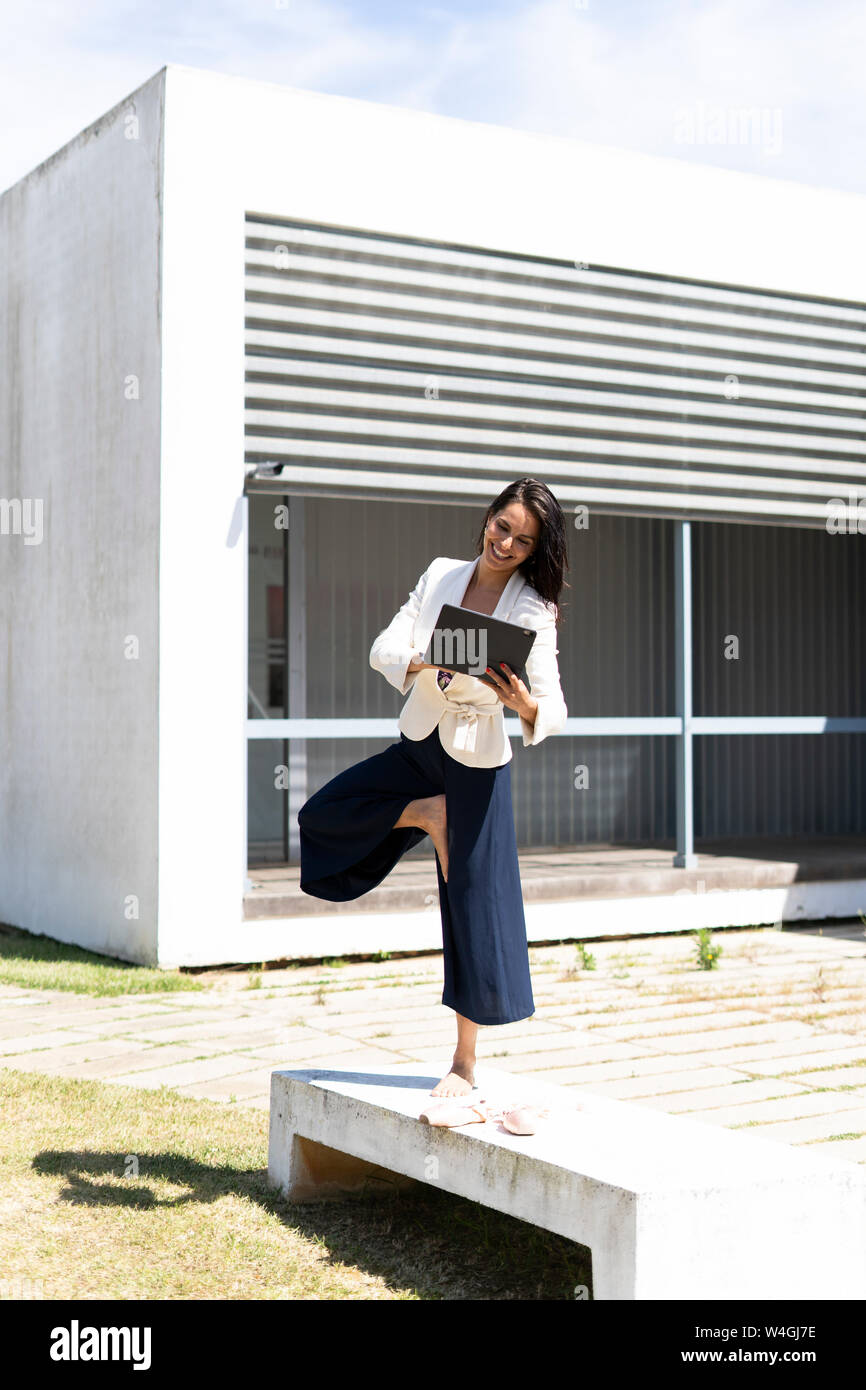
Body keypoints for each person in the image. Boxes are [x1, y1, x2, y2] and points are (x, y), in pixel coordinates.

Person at [297, 477, 568, 1097]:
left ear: (534, 550)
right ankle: (425, 814)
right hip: (421, 741)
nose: (506, 544)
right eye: (502, 527)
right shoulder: (442, 573)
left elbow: (553, 707)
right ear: (488, 518)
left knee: (471, 906)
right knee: (323, 813)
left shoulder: (534, 609)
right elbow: (384, 647)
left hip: (476, 763)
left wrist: (521, 701)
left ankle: (465, 1062)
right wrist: (426, 658)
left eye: (523, 541)